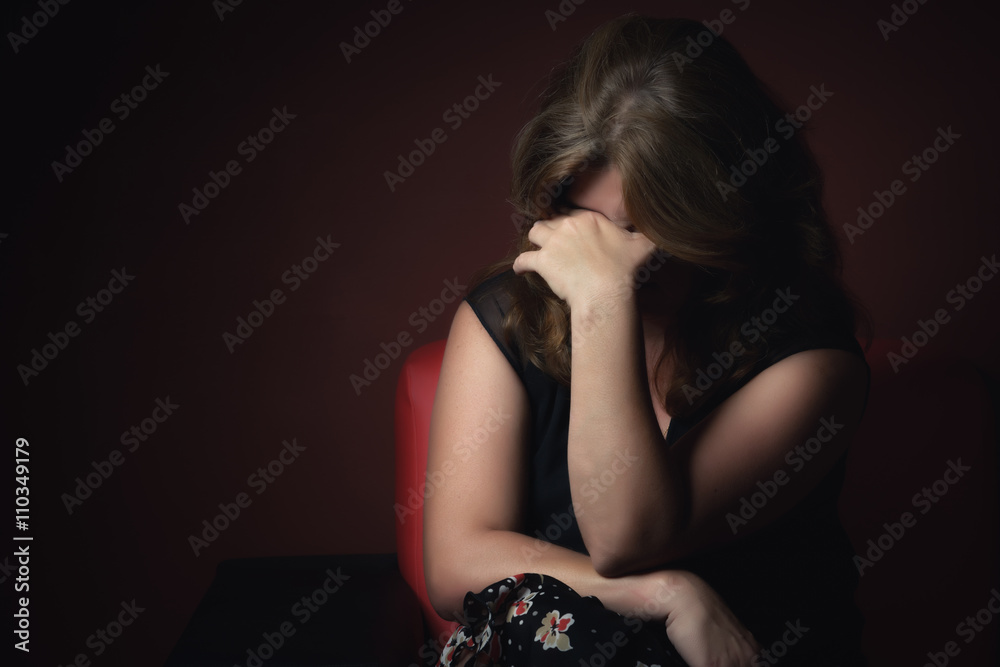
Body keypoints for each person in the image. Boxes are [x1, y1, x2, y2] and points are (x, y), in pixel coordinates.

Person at [423, 14, 872, 667]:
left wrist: (604, 302)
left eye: (643, 229)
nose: (612, 257)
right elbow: (456, 562)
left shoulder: (814, 364)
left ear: (726, 214)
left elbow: (626, 536)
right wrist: (666, 592)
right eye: (584, 224)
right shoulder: (505, 318)